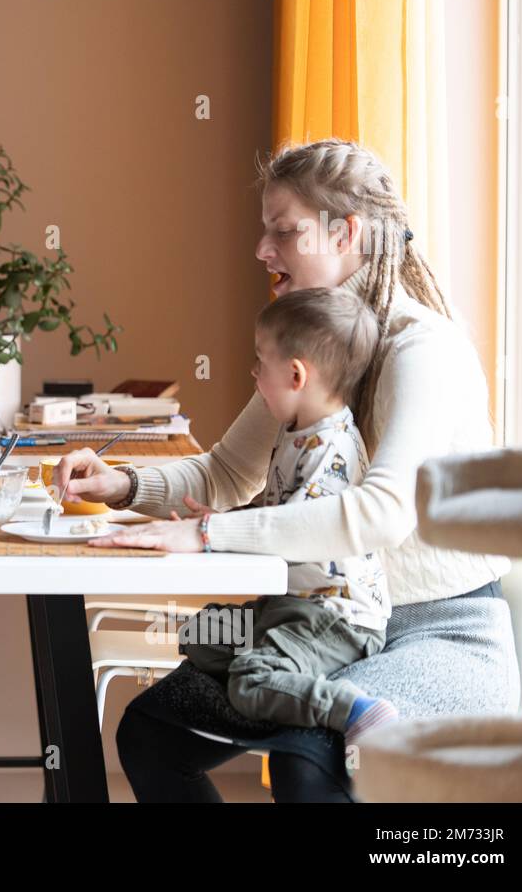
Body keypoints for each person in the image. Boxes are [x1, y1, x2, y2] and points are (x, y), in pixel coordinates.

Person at [53, 139, 515, 802]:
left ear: (347, 232)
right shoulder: (313, 342)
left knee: (313, 760)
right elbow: (222, 476)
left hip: (438, 630)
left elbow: (380, 514)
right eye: (265, 233)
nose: (263, 252)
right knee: (151, 731)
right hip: (324, 618)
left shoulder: (423, 349)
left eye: (284, 232)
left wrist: (209, 535)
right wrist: (121, 484)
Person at [176, 287, 397, 742]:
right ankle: (275, 661)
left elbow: (292, 533)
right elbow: (278, 512)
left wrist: (212, 533)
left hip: (334, 617)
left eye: (261, 363)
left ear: (296, 375)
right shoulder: (297, 430)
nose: (254, 374)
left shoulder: (332, 450)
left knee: (249, 682)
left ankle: (354, 709)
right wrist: (222, 517)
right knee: (198, 633)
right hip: (291, 603)